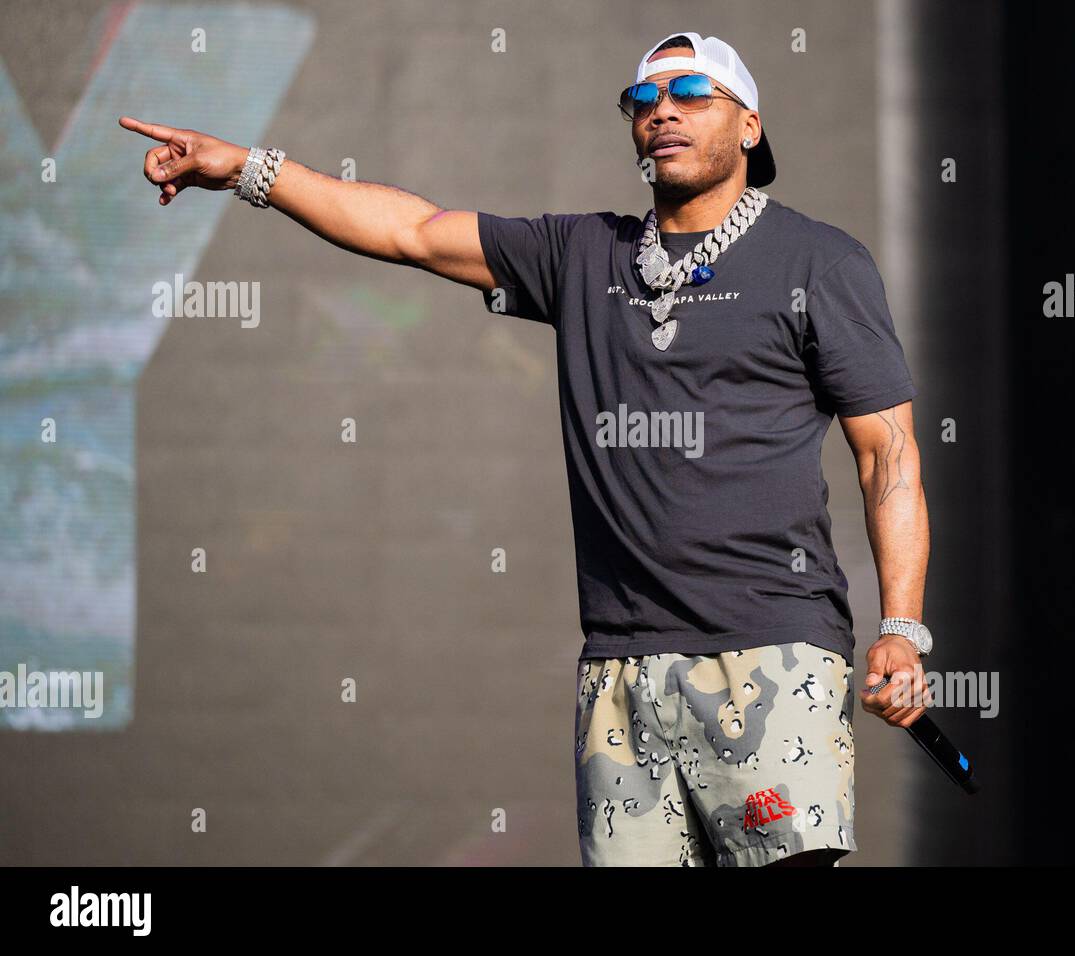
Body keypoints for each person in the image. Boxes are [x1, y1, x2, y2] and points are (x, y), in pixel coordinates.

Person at [120, 30, 933, 868]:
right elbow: (414, 231)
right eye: (645, 100)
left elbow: (890, 457)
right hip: (621, 668)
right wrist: (247, 170)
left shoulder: (820, 262)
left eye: (692, 93)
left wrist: (902, 628)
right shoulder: (584, 254)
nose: (664, 112)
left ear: (750, 125)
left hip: (770, 650)